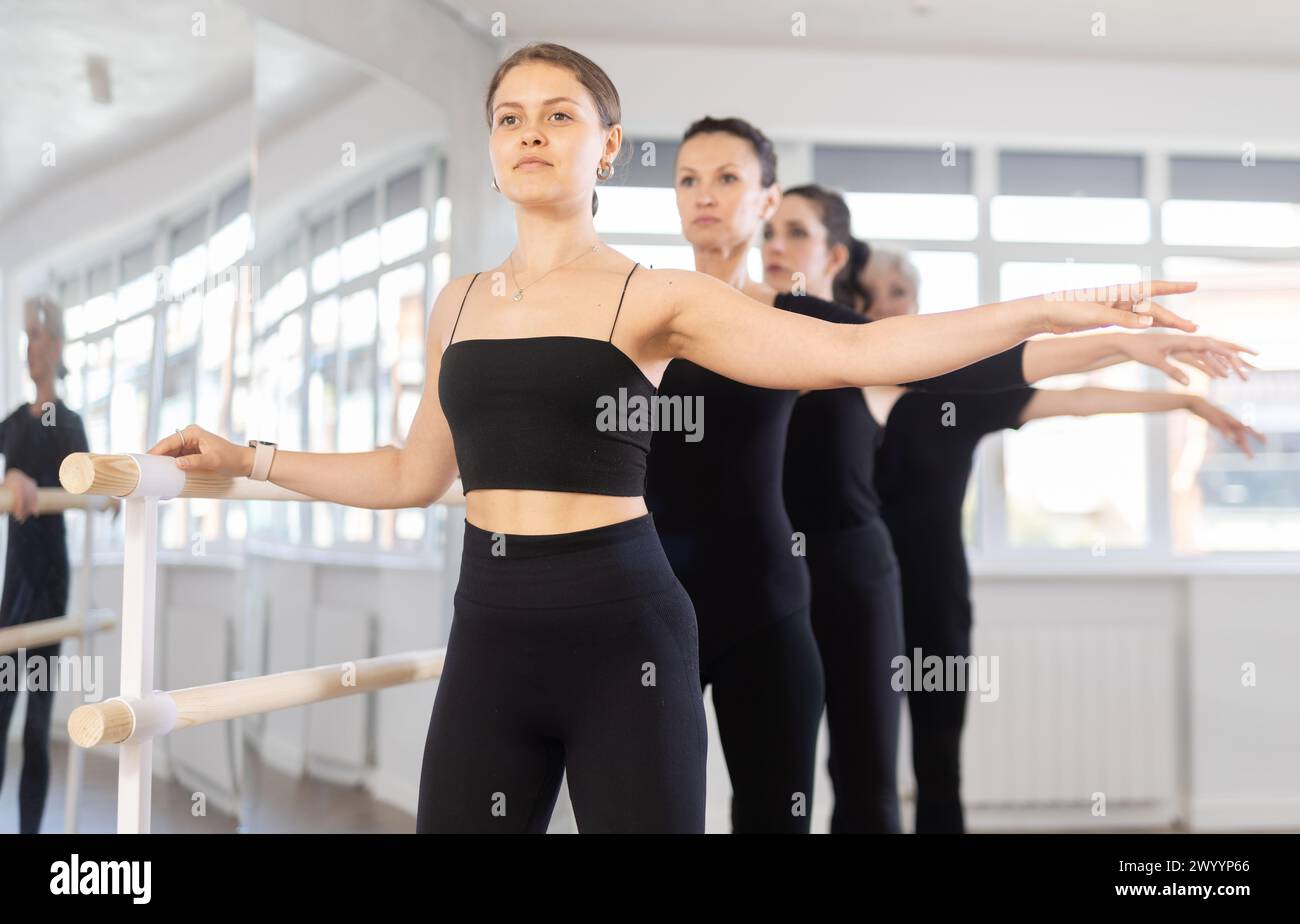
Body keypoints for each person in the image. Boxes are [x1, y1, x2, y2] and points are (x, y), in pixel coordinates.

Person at [146, 42, 1201, 834]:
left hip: (625, 631)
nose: (529, 132)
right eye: (509, 115)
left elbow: (859, 357)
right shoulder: (455, 302)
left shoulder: (656, 299)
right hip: (491, 629)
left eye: (559, 115)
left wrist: (1049, 309)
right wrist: (250, 459)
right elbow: (412, 473)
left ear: (606, 145)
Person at [762, 190, 1255, 832]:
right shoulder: (828, 375)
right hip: (825, 581)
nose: (889, 306)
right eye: (877, 294)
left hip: (925, 586)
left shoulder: (949, 390)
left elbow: (1070, 397)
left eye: (900, 295)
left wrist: (1176, 398)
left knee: (932, 753)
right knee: (834, 759)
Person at [0, 296, 90, 834]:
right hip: (15, 589)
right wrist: (11, 479)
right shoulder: (11, 425)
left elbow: (93, 480)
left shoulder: (70, 425)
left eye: (38, 335)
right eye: (26, 336)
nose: (30, 346)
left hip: (52, 585)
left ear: (56, 345)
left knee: (36, 728)